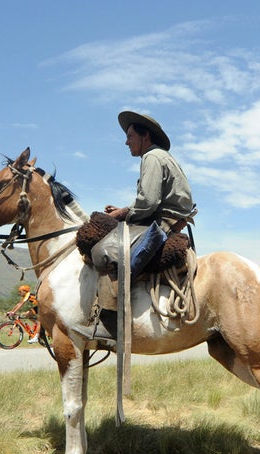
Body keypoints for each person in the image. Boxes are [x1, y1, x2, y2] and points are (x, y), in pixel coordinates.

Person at [75, 111, 196, 345]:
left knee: (105, 252)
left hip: (162, 224)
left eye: (130, 136)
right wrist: (124, 209)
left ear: (145, 136)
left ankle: (109, 325)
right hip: (166, 218)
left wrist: (121, 214)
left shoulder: (152, 157)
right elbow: (149, 199)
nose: (126, 141)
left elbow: (148, 202)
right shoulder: (160, 157)